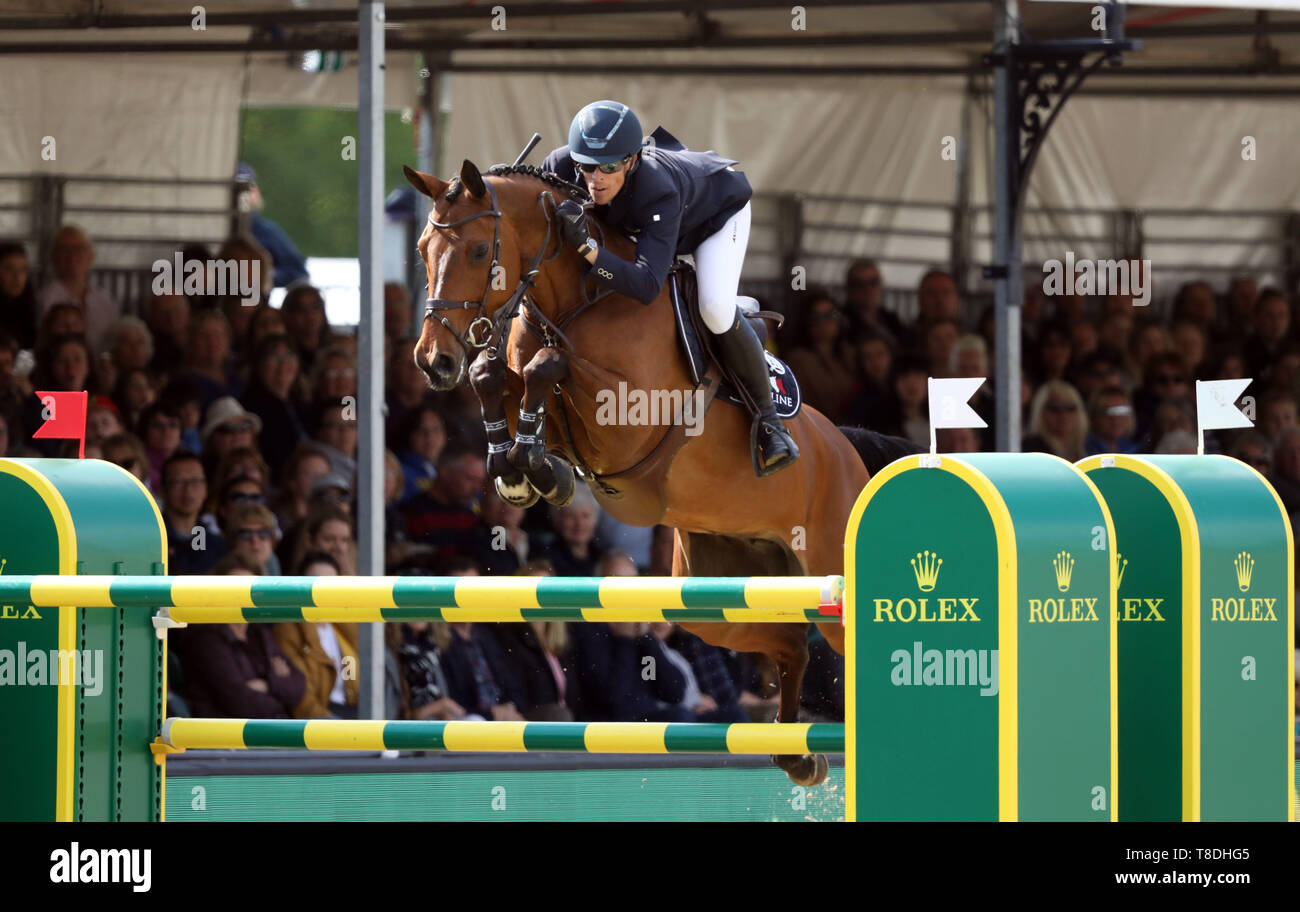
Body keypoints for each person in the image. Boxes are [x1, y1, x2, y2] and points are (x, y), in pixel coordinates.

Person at [541, 100, 797, 476]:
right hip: (647, 225)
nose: (595, 178)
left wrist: (588, 251)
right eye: (587, 165)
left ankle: (770, 424)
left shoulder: (656, 189)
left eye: (609, 167)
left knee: (713, 308)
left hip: (716, 218)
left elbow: (646, 285)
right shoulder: (560, 167)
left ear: (630, 161)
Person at [235, 162, 310, 288]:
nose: (248, 194)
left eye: (249, 188)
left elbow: (297, 272)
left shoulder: (266, 231)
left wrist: (261, 277)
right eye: (239, 189)